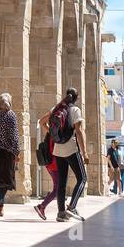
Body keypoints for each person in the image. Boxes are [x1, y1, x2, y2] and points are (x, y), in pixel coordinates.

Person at [48, 87, 88, 221]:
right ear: (76, 98)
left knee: (61, 183)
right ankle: (72, 207)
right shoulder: (75, 110)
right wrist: (85, 153)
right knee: (82, 178)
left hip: (58, 150)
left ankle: (61, 213)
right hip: (71, 148)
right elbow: (79, 131)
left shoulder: (57, 108)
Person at [32, 127, 60, 220]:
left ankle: (63, 209)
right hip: (54, 165)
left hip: (50, 165)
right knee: (57, 189)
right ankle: (42, 206)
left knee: (58, 188)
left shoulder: (50, 135)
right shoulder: (55, 136)